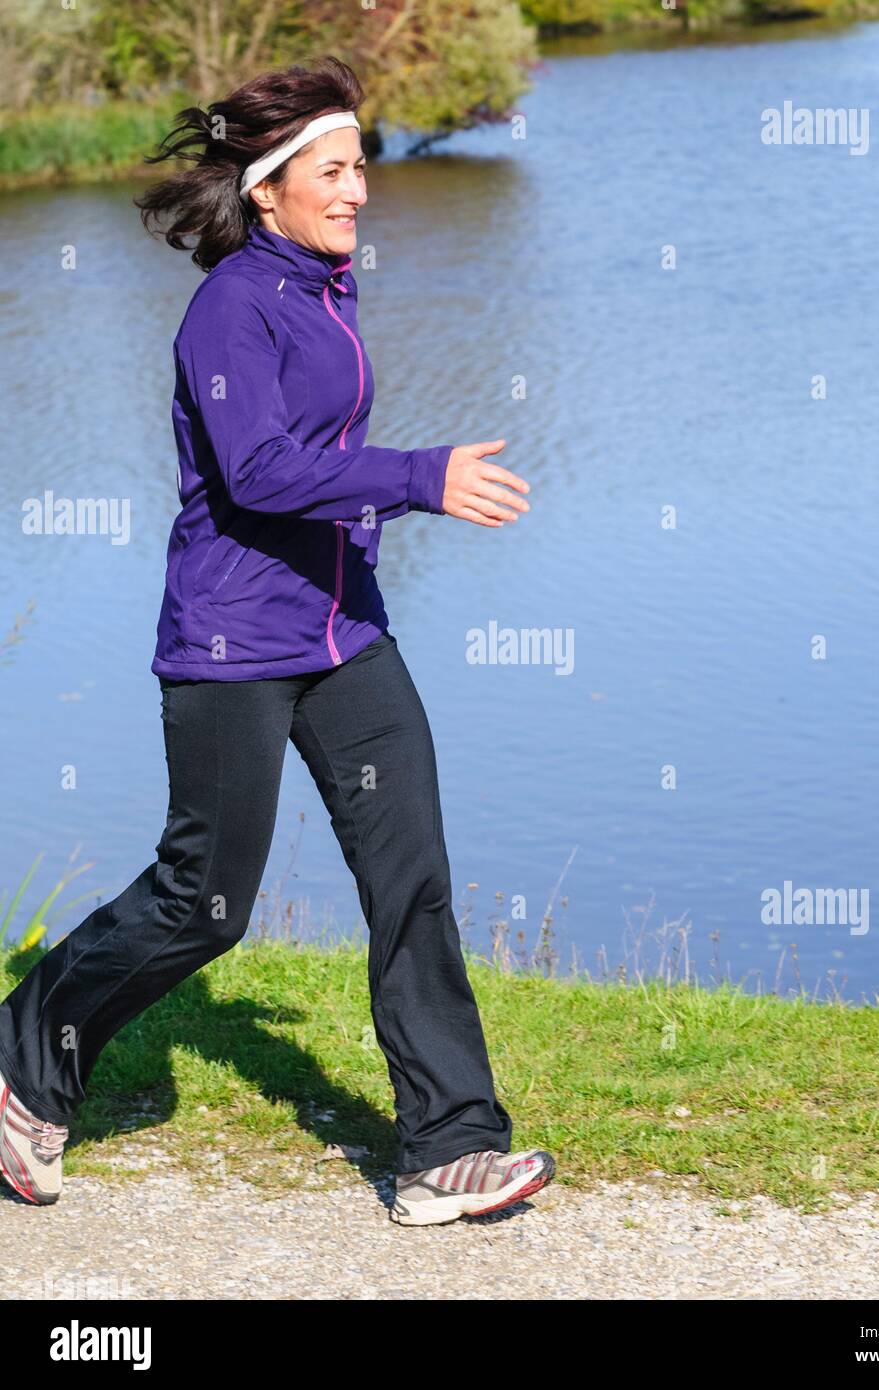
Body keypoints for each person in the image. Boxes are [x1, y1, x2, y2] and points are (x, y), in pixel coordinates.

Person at [0, 54, 555, 1227]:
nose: (359, 189)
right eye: (336, 171)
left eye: (361, 168)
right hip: (231, 642)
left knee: (411, 880)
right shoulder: (231, 306)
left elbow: (316, 461)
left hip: (346, 631)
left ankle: (447, 1144)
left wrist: (386, 504)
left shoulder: (323, 286)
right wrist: (419, 476)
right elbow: (257, 470)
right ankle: (24, 1054)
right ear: (268, 187)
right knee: (203, 905)